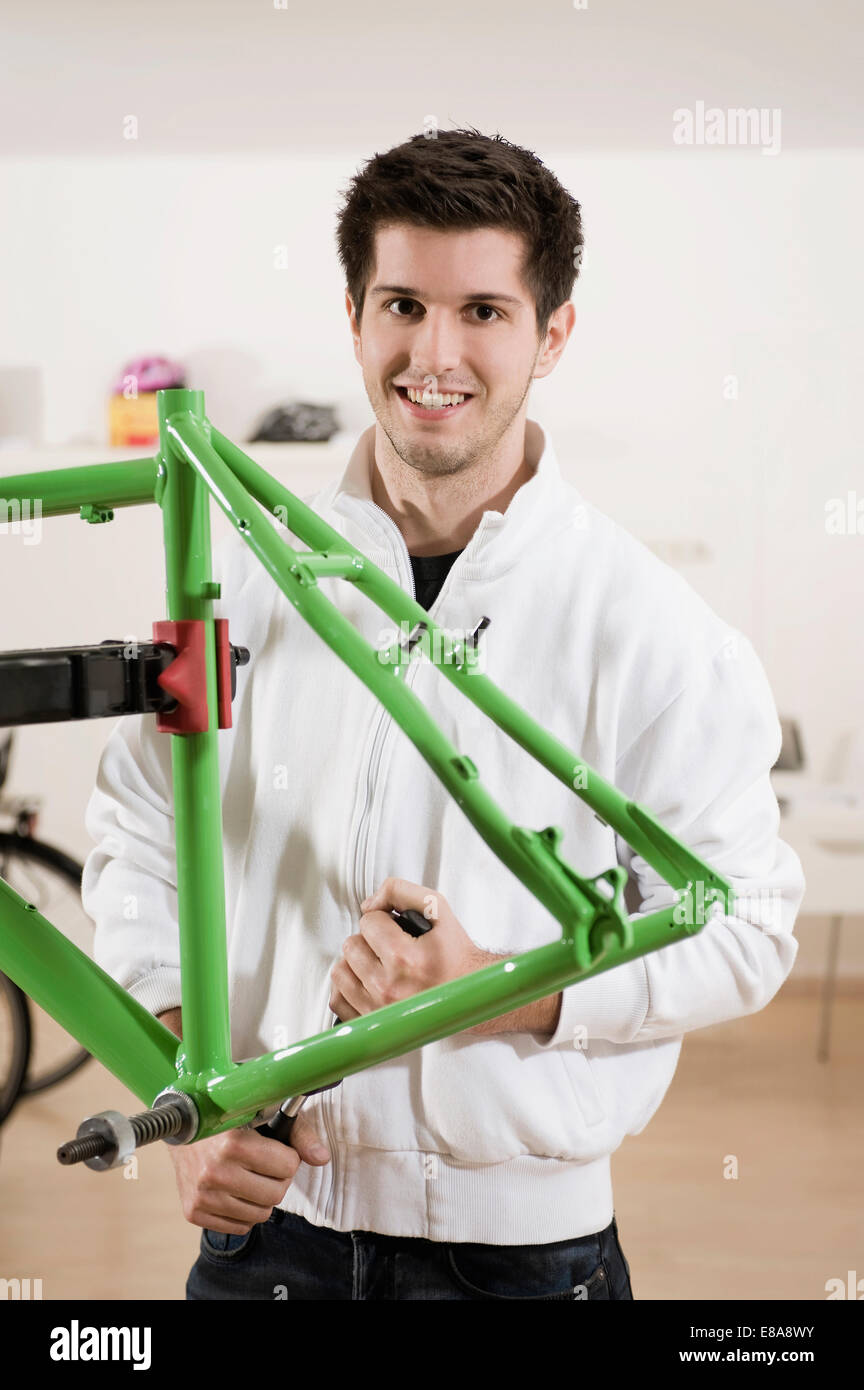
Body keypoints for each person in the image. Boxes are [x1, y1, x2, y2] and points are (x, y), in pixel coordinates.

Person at [81, 127, 806, 1301]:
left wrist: (507, 987)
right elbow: (137, 828)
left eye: (483, 311)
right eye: (402, 303)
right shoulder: (230, 584)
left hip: (523, 1262)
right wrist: (188, 1085)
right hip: (263, 1241)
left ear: (552, 333)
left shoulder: (654, 630)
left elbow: (747, 924)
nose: (433, 352)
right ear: (356, 317)